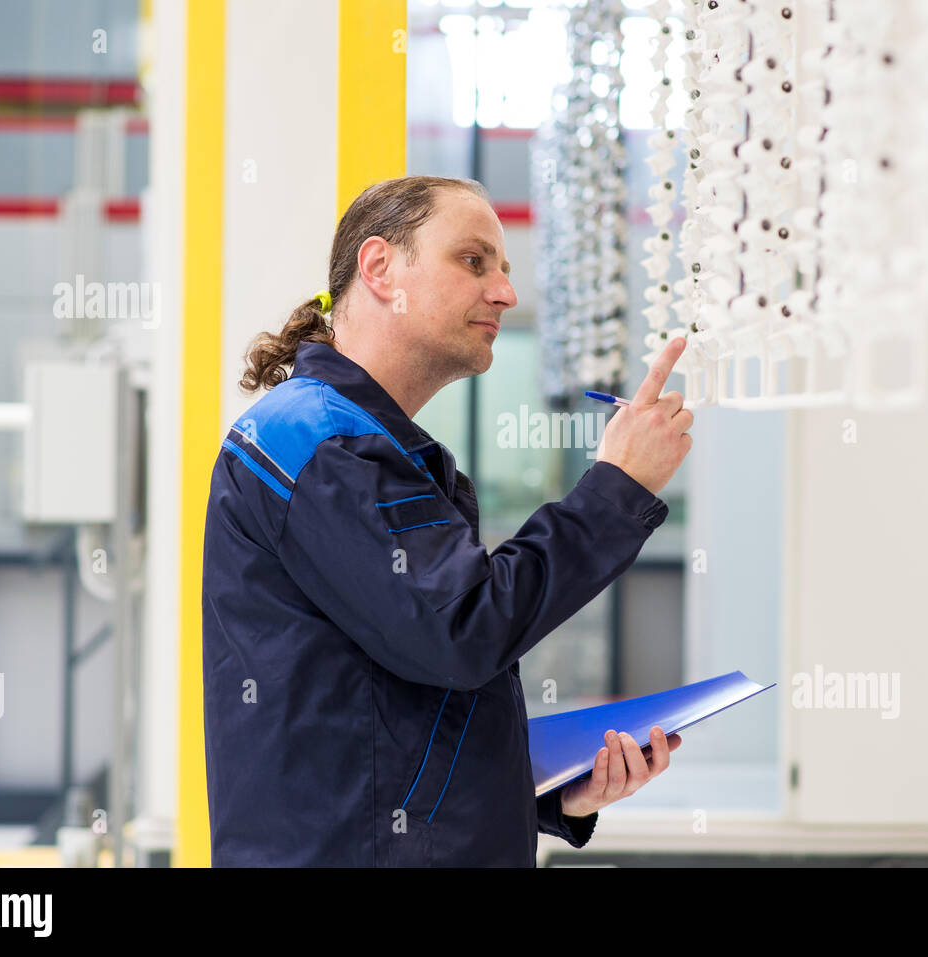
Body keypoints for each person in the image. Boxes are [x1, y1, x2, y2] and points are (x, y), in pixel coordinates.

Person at [201, 175, 694, 866]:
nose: (505, 292)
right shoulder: (319, 445)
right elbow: (462, 629)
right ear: (379, 268)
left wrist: (551, 792)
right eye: (474, 261)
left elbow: (406, 706)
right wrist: (617, 488)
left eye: (505, 270)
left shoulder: (363, 445)